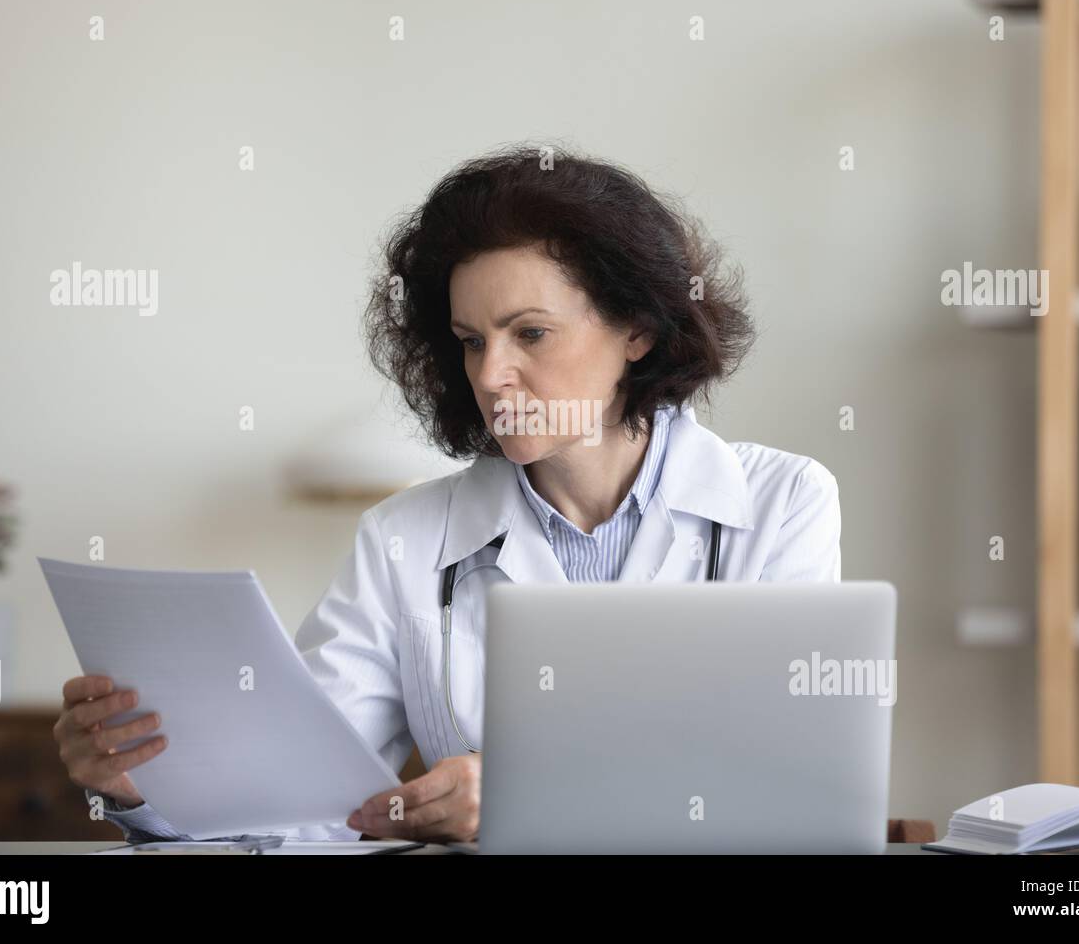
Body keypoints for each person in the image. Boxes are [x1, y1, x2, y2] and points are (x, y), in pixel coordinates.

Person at [53, 142, 841, 845]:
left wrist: (540, 798)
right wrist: (148, 790)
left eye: (530, 333)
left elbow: (797, 789)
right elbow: (307, 804)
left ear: (635, 330)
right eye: (471, 342)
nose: (492, 375)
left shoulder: (781, 503)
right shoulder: (404, 540)